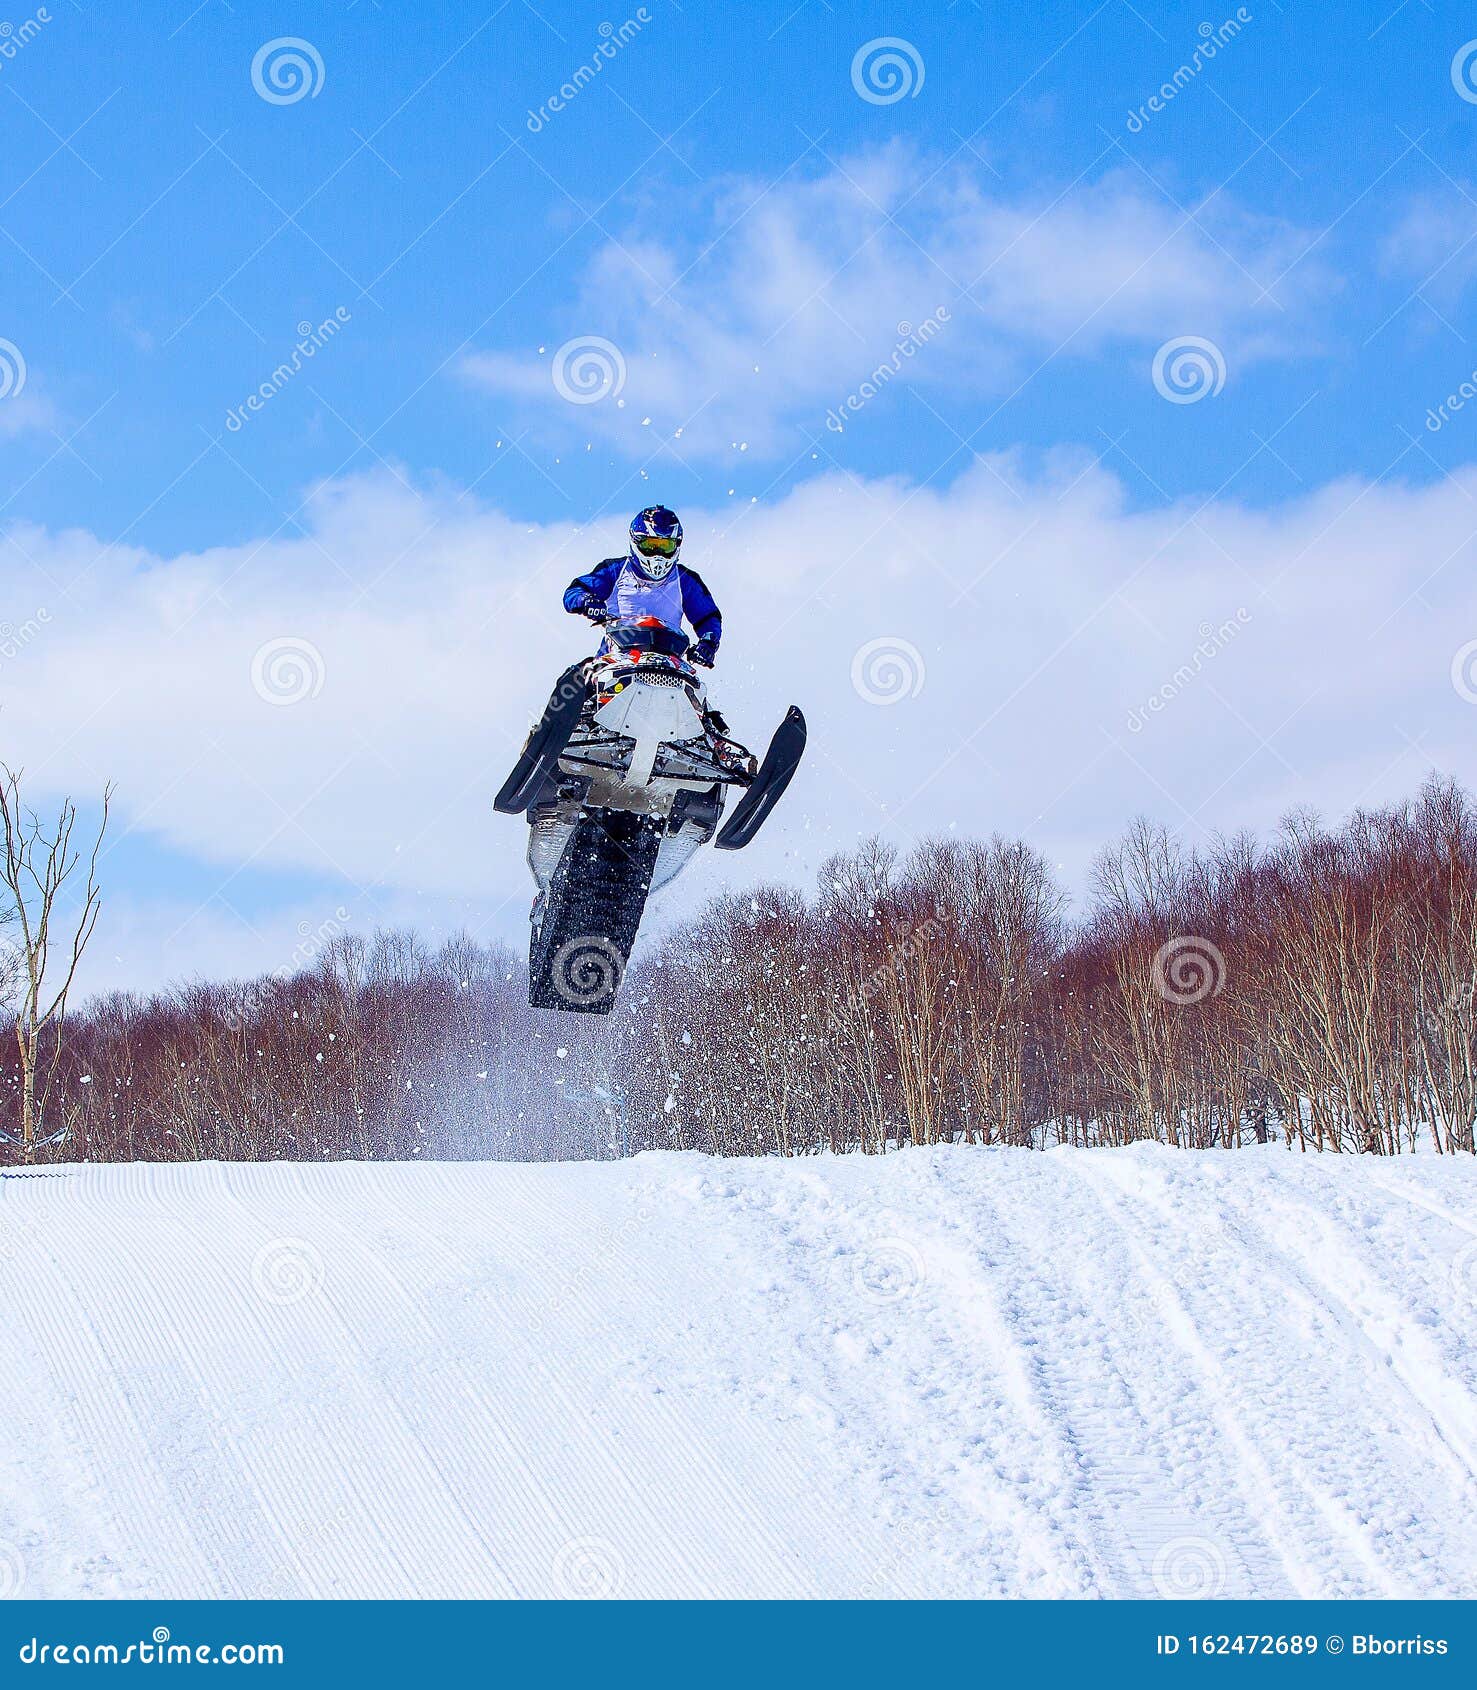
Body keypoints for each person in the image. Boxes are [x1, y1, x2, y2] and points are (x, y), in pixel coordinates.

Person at [562, 506, 722, 668]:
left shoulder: (685, 580)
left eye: (665, 546)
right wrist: (587, 601)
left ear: (676, 546)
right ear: (636, 542)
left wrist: (707, 644)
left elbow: (707, 616)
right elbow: (575, 591)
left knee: (697, 687)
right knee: (572, 680)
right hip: (615, 658)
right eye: (650, 546)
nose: (658, 555)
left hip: (669, 663)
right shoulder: (615, 570)